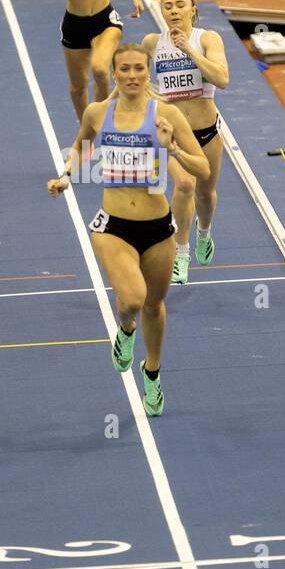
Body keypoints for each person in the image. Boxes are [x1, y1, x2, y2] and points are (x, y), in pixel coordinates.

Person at [47, 42, 209, 415]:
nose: (132, 75)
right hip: (113, 226)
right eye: (125, 69)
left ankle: (151, 372)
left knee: (154, 305)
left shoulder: (166, 115)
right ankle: (125, 328)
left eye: (139, 69)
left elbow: (202, 170)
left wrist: (174, 151)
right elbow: (80, 146)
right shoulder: (97, 112)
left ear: (147, 72)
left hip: (158, 228)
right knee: (134, 299)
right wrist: (65, 176)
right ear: (115, 73)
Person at [143, 0, 229, 283]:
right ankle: (181, 252)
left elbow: (222, 79)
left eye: (180, 5)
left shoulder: (207, 39)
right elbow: (136, 78)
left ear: (193, 10)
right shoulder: (153, 42)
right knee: (183, 185)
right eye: (167, 6)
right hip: (175, 134)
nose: (174, 11)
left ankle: (203, 232)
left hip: (206, 130)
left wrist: (190, 52)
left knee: (205, 193)